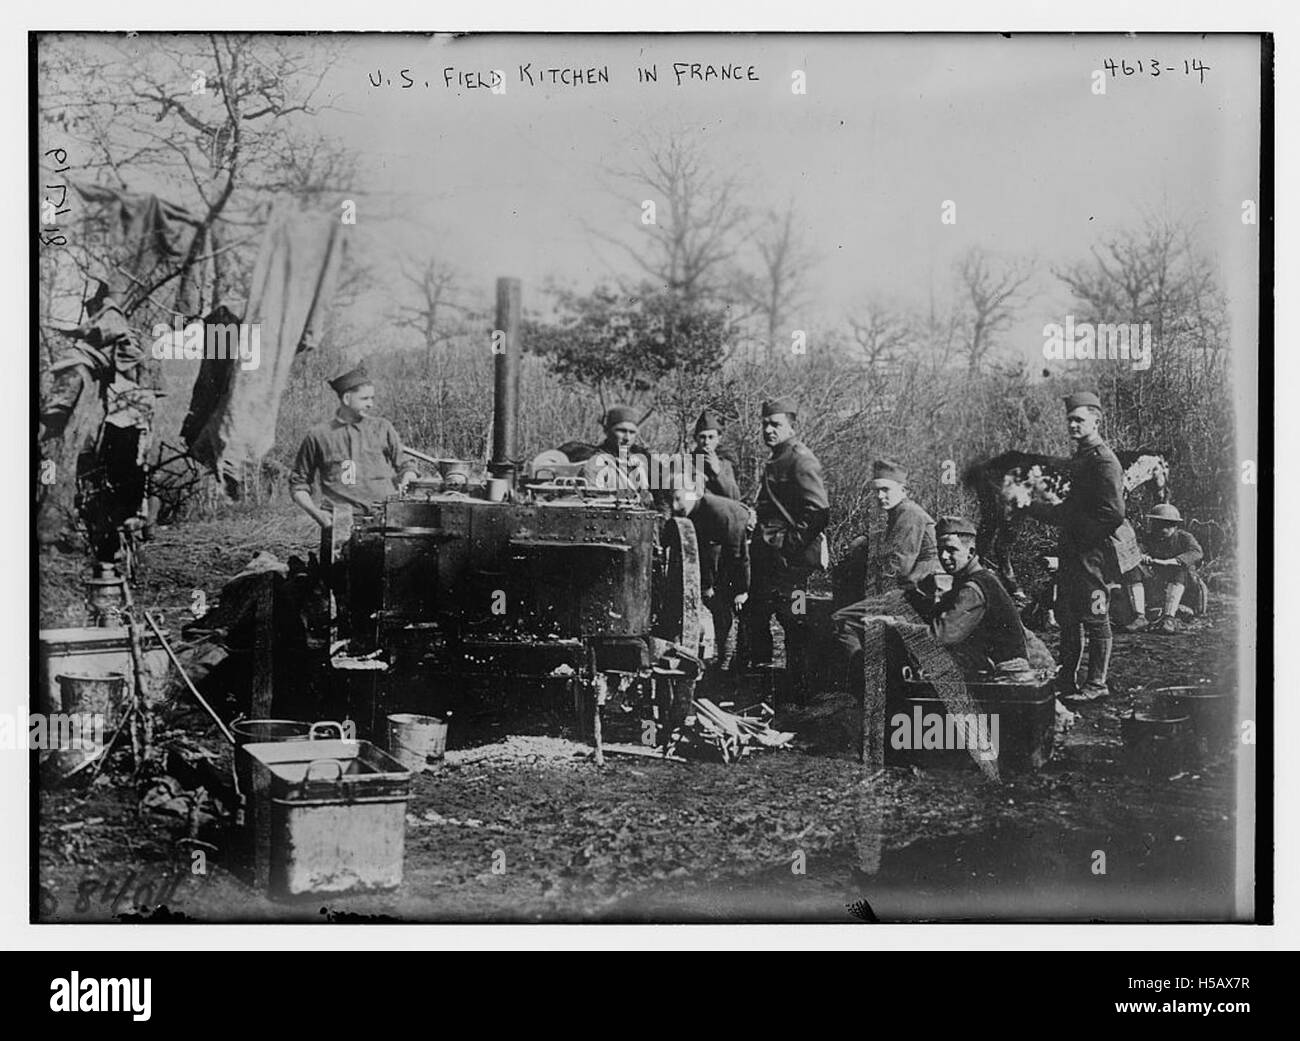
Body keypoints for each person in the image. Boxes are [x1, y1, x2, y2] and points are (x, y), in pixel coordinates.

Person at [1024, 391, 1125, 702]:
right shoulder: (1082, 458)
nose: (1073, 425)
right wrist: (1030, 506)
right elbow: (1068, 511)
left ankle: (1096, 684)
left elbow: (1113, 514)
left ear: (1096, 420)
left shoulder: (1103, 461)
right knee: (1067, 617)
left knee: (1096, 616)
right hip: (1072, 553)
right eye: (1069, 420)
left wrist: (1082, 539)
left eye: (1079, 420)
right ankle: (1067, 679)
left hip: (1091, 555)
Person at [743, 397, 829, 703]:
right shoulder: (777, 457)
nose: (768, 430)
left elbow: (818, 512)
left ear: (792, 426)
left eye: (776, 424)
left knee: (795, 622)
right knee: (756, 617)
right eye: (765, 424)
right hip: (770, 560)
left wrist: (787, 546)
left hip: (792, 564)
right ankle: (763, 688)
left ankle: (799, 693)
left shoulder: (801, 459)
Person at [831, 460, 939, 664]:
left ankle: (858, 676)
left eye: (886, 490)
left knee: (842, 619)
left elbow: (897, 567)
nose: (880, 496)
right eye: (876, 491)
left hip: (915, 590)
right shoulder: (898, 513)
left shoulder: (908, 513)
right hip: (911, 588)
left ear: (903, 489)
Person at [288, 365, 417, 535]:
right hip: (340, 523)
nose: (371, 404)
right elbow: (299, 483)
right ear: (347, 399)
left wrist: (407, 480)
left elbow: (407, 465)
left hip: (386, 520)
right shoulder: (318, 435)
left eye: (372, 398)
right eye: (365, 399)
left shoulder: (382, 428)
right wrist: (317, 514)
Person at [904, 516, 1033, 679]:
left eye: (951, 550)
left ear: (971, 552)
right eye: (940, 550)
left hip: (1006, 675)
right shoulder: (976, 578)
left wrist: (897, 628)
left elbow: (941, 635)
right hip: (995, 671)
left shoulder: (974, 587)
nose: (943, 556)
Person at [669, 473, 750, 669]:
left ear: (693, 494)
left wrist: (741, 590)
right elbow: (705, 554)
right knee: (718, 607)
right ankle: (723, 658)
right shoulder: (691, 513)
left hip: (746, 549)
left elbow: (738, 554)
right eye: (671, 498)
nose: (674, 505)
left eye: (678, 498)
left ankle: (734, 663)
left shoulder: (718, 513)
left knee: (740, 611)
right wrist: (706, 586)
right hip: (724, 558)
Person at [1122, 503, 1205, 634]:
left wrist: (1172, 561)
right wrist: (1142, 556)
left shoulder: (1184, 537)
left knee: (1179, 571)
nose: (1161, 529)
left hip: (1181, 581)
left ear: (1174, 525)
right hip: (1155, 578)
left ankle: (1169, 618)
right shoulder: (1150, 537)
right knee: (1133, 569)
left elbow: (1196, 552)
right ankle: (1140, 617)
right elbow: (1136, 549)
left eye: (1166, 525)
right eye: (1157, 524)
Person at [558, 404, 652, 497]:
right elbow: (594, 498)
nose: (627, 438)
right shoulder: (595, 461)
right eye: (621, 431)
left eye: (632, 432)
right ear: (607, 431)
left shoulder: (639, 462)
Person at [691, 409, 741, 499]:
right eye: (702, 437)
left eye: (711, 437)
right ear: (695, 438)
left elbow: (735, 497)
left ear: (718, 439)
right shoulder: (687, 463)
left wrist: (717, 471)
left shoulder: (725, 464)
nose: (706, 442)